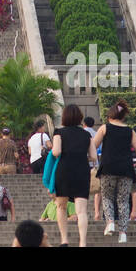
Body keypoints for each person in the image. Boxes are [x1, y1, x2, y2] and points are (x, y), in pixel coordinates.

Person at [93, 98, 136, 243]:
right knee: (123, 200)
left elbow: (93, 146)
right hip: (126, 169)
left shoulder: (104, 128)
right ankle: (123, 233)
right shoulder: (130, 131)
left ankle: (110, 223)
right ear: (122, 116)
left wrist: (94, 160)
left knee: (107, 197)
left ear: (110, 116)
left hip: (108, 168)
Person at [51, 103, 97, 247]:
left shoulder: (59, 132)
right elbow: (94, 156)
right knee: (81, 210)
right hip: (82, 171)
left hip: (64, 170)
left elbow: (56, 152)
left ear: (64, 117)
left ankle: (64, 239)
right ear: (80, 118)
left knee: (61, 207)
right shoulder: (86, 134)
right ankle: (82, 242)